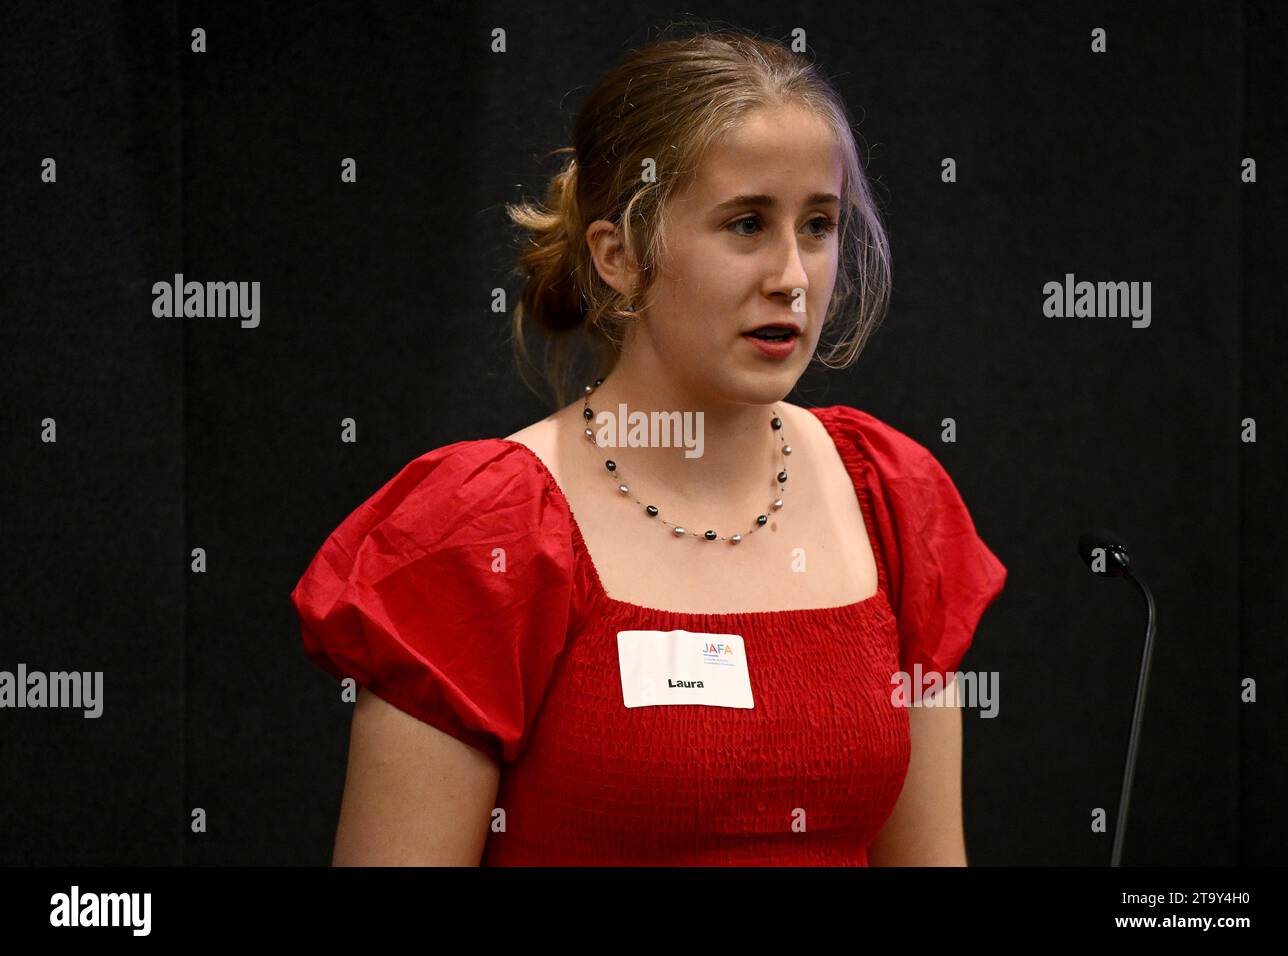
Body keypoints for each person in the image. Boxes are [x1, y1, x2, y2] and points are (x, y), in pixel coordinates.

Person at [290, 28, 1007, 866]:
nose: (793, 275)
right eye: (746, 224)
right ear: (620, 256)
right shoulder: (485, 529)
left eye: (818, 225)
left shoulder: (894, 498)